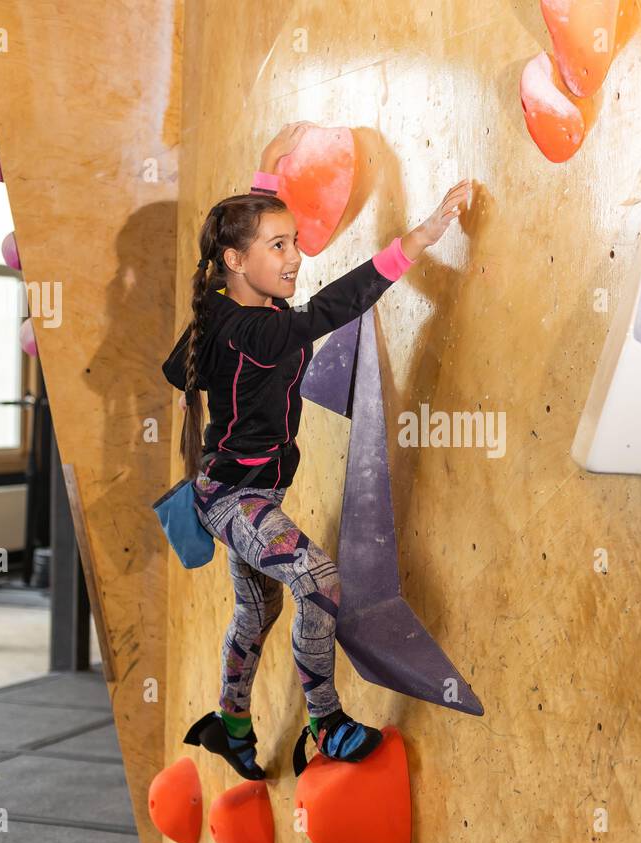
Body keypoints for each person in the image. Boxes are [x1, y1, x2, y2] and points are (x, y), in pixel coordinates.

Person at [162, 121, 471, 779]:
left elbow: (178, 360)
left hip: (243, 490)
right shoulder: (258, 328)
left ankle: (232, 724)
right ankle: (327, 722)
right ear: (239, 262)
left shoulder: (221, 303)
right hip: (233, 498)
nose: (296, 256)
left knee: (258, 607)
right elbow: (331, 308)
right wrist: (411, 243)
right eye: (279, 246)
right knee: (317, 579)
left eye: (295, 241)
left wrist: (265, 178)